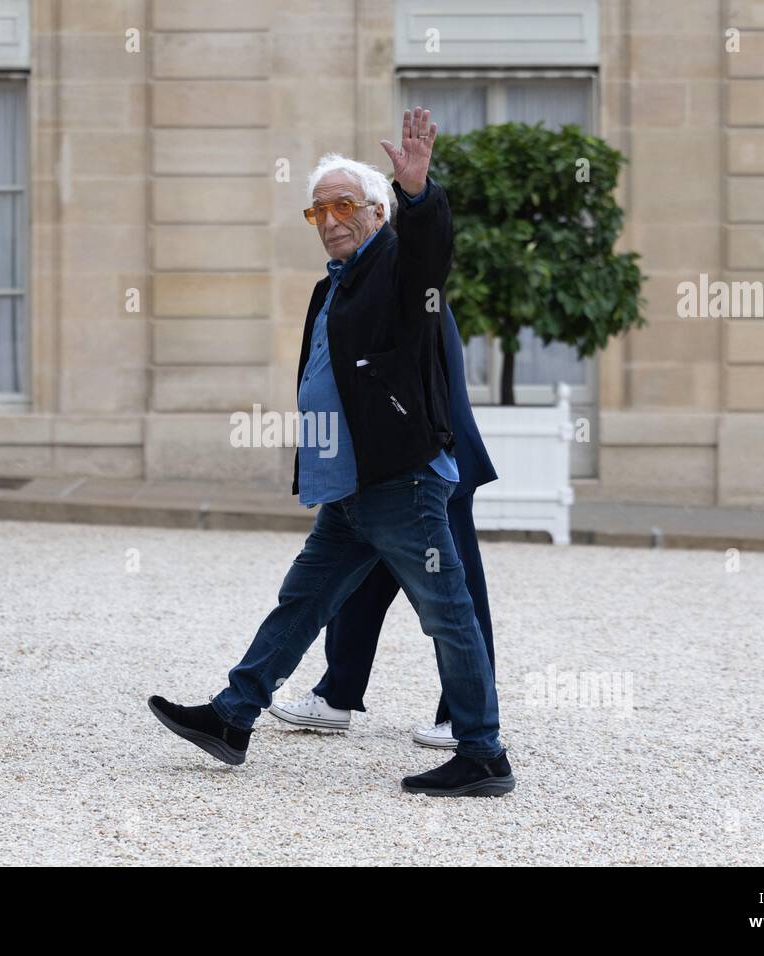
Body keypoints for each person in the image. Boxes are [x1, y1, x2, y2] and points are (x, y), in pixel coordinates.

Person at [148, 108, 514, 797]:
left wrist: (419, 193)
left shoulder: (401, 269)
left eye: (345, 204)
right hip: (352, 486)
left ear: (376, 211)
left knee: (447, 612)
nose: (331, 218)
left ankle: (483, 754)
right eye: (318, 209)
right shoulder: (334, 284)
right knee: (301, 602)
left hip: (401, 481)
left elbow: (431, 247)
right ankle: (233, 717)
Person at [268, 298, 497, 750]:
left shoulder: (408, 285)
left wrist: (431, 465)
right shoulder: (365, 287)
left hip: (431, 468)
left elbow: (431, 380)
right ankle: (337, 694)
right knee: (361, 584)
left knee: (456, 592)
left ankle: (462, 717)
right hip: (384, 472)